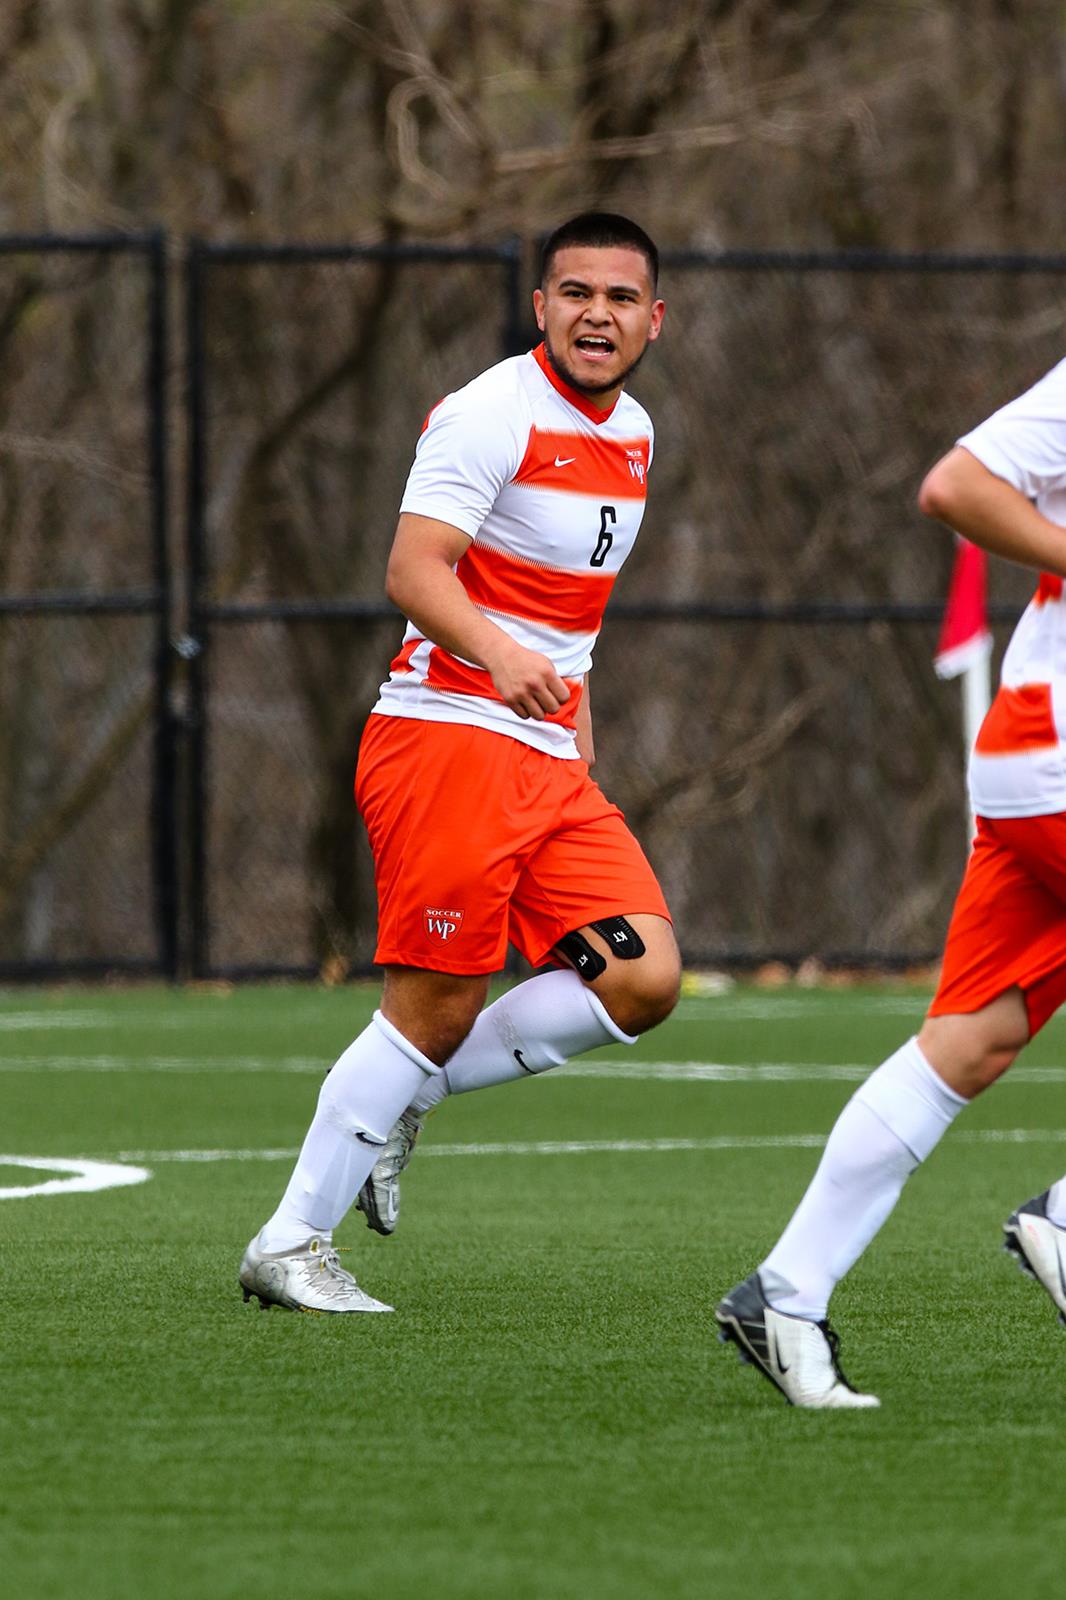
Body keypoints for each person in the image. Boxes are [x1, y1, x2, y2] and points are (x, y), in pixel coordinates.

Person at [240, 212, 681, 1313]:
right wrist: (503, 657)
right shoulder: (488, 412)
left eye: (619, 298)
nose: (596, 314)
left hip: (545, 752)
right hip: (449, 736)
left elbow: (574, 615)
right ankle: (291, 1242)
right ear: (540, 306)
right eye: (574, 292)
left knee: (641, 978)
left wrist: (576, 720)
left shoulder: (635, 434)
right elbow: (413, 568)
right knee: (432, 1003)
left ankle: (408, 1094)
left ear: (654, 320)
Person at [716, 357, 1066, 1407]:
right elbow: (955, 486)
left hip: (1030, 754)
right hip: (1058, 743)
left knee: (973, 1038)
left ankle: (784, 1291)